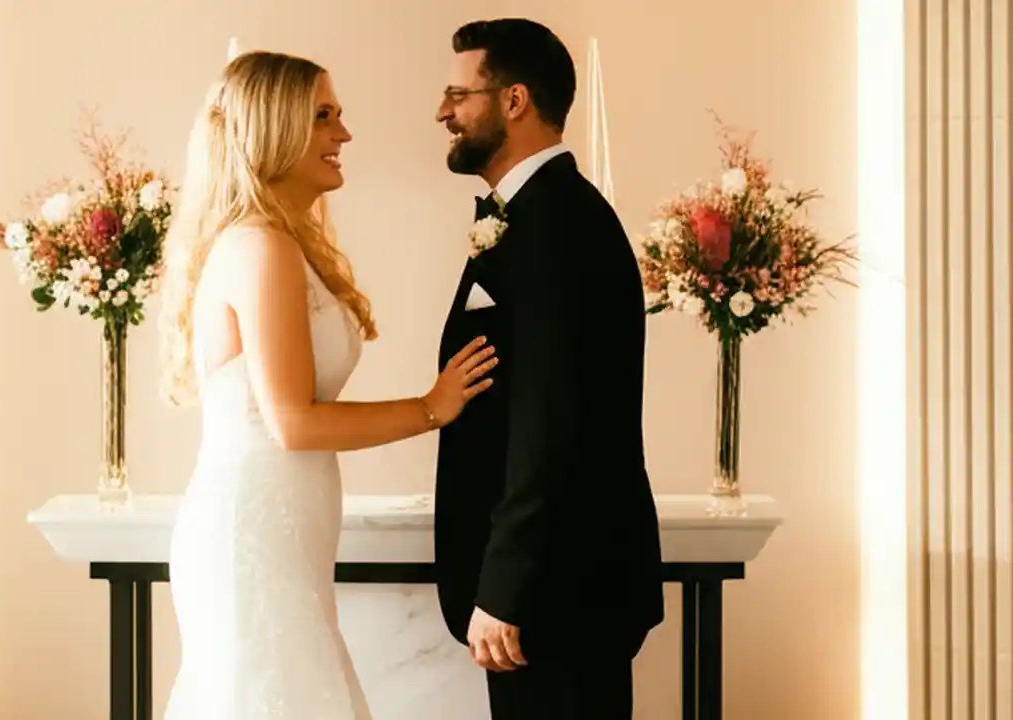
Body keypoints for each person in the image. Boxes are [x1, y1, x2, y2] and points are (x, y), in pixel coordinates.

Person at [156, 51, 496, 719]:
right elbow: (294, 423)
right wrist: (431, 407)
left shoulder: (279, 243)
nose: (344, 134)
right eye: (323, 117)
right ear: (272, 129)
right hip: (250, 535)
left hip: (283, 538)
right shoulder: (261, 248)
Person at [431, 19, 664, 719]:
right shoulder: (537, 214)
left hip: (556, 591)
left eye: (457, 93)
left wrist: (506, 586)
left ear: (513, 100)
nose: (443, 112)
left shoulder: (558, 224)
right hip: (555, 589)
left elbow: (552, 418)